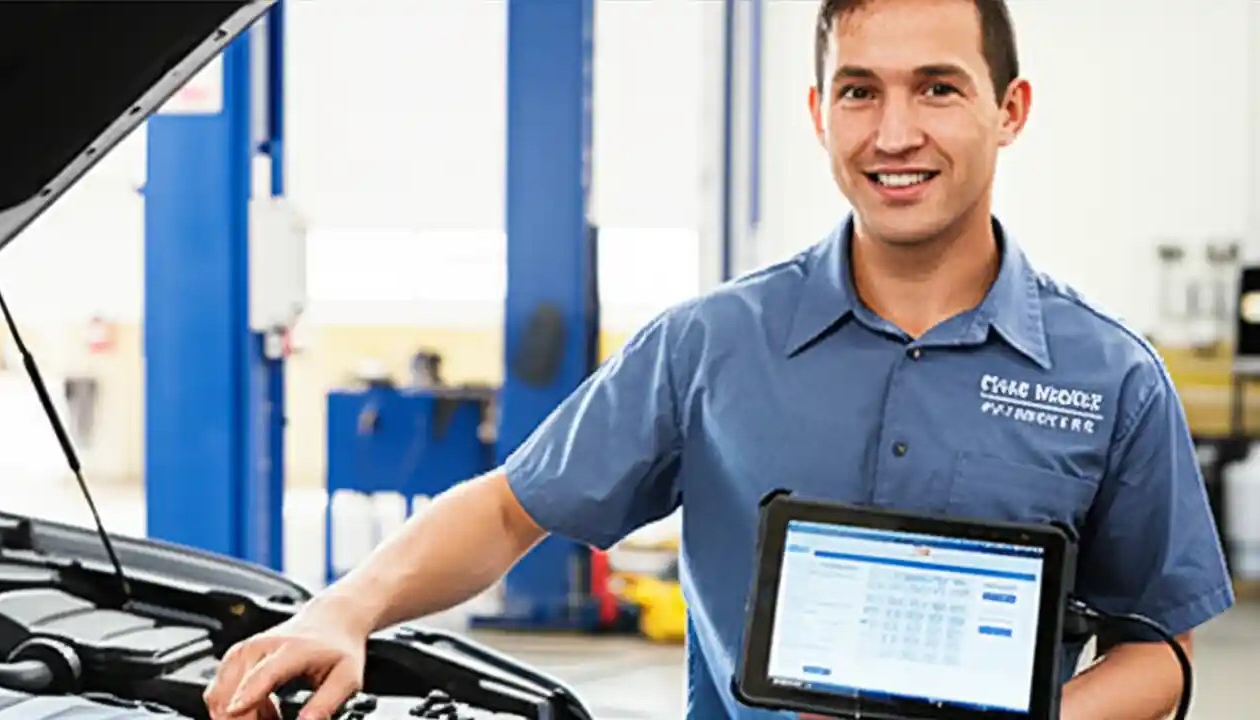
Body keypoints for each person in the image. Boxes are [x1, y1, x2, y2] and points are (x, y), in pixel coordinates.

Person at [203, 0, 1235, 718]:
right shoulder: (710, 345)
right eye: (857, 92)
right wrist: (345, 607)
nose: (894, 132)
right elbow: (513, 507)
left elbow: (1157, 653)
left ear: (1006, 111)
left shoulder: (1110, 378)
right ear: (816, 112)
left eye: (936, 89)